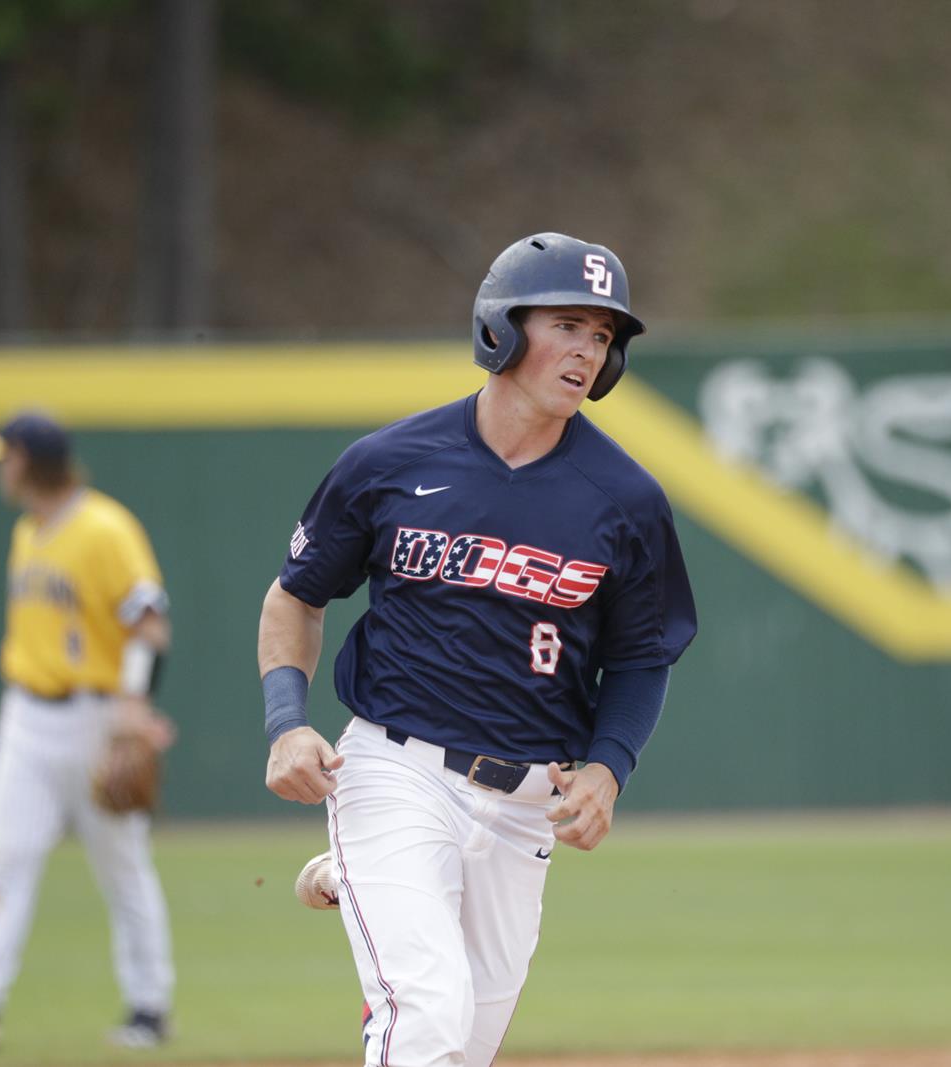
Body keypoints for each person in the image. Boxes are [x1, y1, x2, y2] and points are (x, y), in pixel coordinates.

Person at [258, 232, 697, 1066]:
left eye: (602, 336)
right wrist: (287, 721)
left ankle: (369, 879)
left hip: (527, 800)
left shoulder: (627, 499)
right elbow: (296, 596)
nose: (585, 349)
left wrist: (609, 767)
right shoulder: (389, 463)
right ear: (502, 326)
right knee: (426, 1011)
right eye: (567, 323)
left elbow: (642, 655)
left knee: (465, 1042)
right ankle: (378, 862)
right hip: (396, 767)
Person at [0, 411, 177, 1051]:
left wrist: (132, 704)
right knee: (7, 859)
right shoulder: (27, 532)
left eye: (4, 458)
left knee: (122, 867)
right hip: (26, 717)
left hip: (96, 719)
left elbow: (149, 626)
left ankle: (149, 1006)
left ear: (32, 462)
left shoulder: (105, 529)